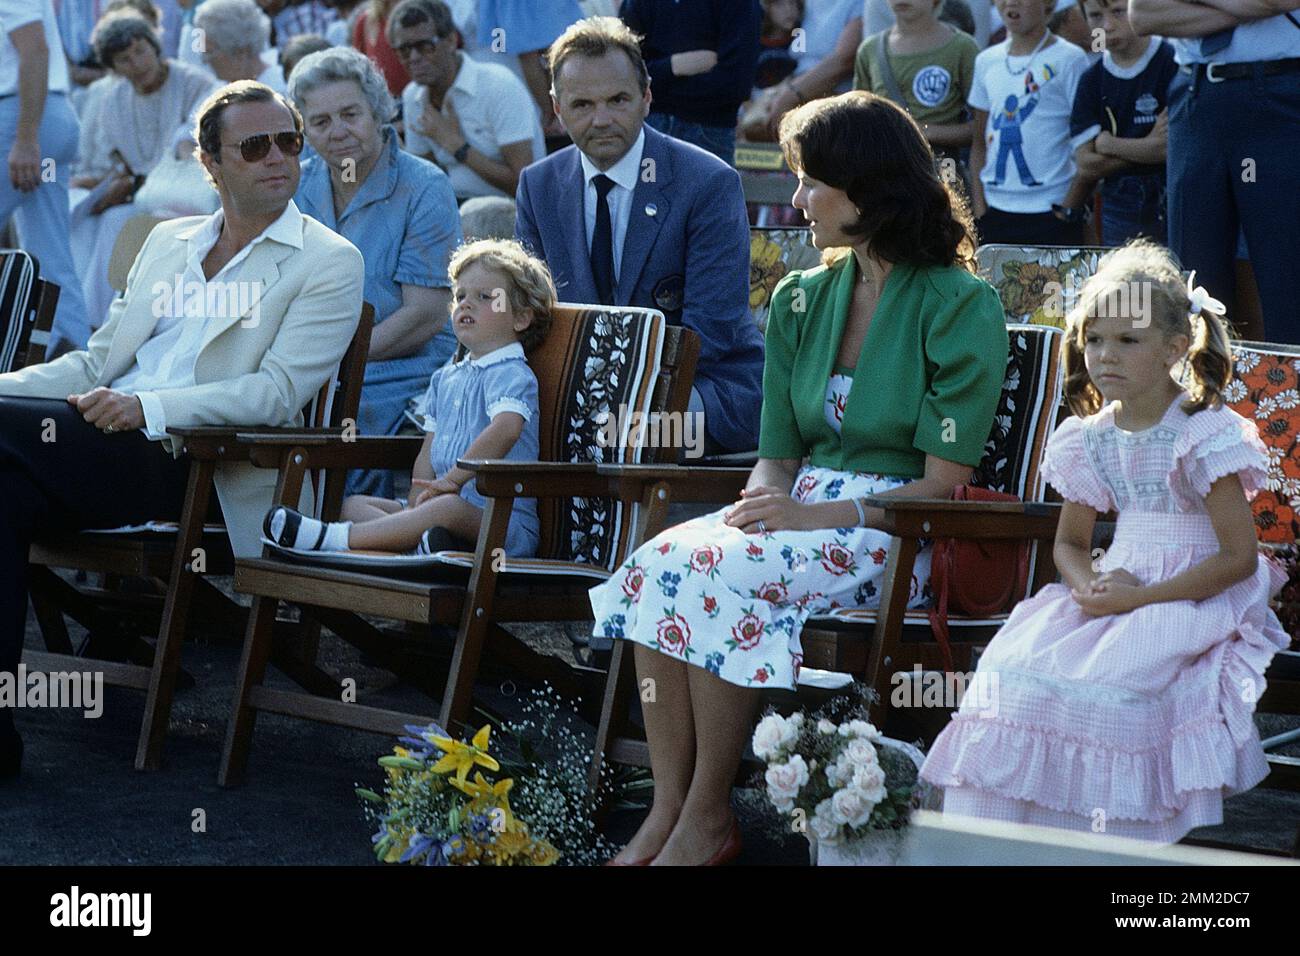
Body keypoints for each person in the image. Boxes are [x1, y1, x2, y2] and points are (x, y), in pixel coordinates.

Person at [588, 91, 1007, 865]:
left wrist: (811, 518)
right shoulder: (801, 296)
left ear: (870, 187)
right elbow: (777, 454)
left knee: (716, 573)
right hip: (798, 514)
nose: (797, 199)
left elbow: (946, 485)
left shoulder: (960, 303)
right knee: (656, 563)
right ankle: (670, 811)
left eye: (813, 181)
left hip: (897, 532)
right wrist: (758, 505)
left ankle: (709, 815)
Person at [0, 80, 365, 781]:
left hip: (194, 464)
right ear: (210, 162)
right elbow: (97, 360)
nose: (278, 158)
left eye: (289, 141)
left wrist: (151, 409)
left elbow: (277, 392)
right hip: (87, 445)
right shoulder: (170, 241)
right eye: (254, 146)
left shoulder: (328, 261)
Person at [922, 241, 1290, 842]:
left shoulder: (1201, 433)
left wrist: (1139, 600)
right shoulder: (1088, 438)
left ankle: (1114, 846)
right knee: (1014, 670)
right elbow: (1070, 542)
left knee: (1117, 685)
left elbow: (1237, 558)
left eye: (1128, 340)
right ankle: (1020, 843)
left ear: (1175, 348)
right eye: (1094, 339)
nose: (1104, 355)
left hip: (1197, 590)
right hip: (1115, 584)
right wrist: (1088, 584)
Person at [516, 16, 764, 456]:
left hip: (704, 390)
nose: (602, 119)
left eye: (618, 100)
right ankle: (475, 524)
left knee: (617, 433)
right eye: (582, 105)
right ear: (556, 109)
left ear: (647, 98)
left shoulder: (708, 183)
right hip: (583, 393)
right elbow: (531, 317)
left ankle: (622, 523)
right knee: (500, 417)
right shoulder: (539, 186)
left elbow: (711, 333)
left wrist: (607, 392)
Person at [265, 237, 551, 559]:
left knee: (446, 508)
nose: (466, 304)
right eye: (460, 296)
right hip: (445, 505)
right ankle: (426, 544)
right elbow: (429, 445)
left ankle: (334, 539)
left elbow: (506, 429)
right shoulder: (448, 377)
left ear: (521, 318)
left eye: (485, 297)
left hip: (501, 522)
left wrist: (453, 481)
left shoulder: (511, 373)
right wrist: (419, 489)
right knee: (355, 504)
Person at [289, 45, 461, 498]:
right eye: (321, 122)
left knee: (342, 410)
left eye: (350, 114)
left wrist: (332, 366)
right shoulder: (296, 185)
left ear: (380, 111)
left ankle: (339, 537)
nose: (338, 132)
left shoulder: (424, 186)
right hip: (316, 364)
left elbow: (423, 317)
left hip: (404, 366)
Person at [1129, 0, 1300, 344]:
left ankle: (1290, 393)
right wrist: (1246, 10)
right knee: (1194, 281)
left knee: (1287, 277)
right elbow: (1142, 14)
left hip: (1278, 95)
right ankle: (1201, 391)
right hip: (1195, 97)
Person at [69, 12, 216, 330]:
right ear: (114, 67)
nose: (137, 63)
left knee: (121, 223)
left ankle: (123, 322)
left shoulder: (193, 83)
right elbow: (122, 162)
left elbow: (197, 144)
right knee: (95, 222)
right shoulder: (114, 100)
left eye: (140, 51)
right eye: (124, 58)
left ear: (154, 46)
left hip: (191, 191)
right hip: (142, 192)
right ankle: (92, 323)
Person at [1, 0, 94, 357]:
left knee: (48, 247)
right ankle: (73, 358)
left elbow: (35, 50)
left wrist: (26, 139)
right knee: (50, 249)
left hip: (23, 119)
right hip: (46, 119)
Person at [392, 0, 542, 202]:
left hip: (510, 212)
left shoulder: (498, 85)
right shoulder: (413, 96)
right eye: (404, 50)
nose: (414, 58)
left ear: (451, 41)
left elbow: (525, 187)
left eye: (426, 46)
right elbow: (423, 182)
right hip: (451, 208)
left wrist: (455, 144)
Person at [968, 0, 1092, 245]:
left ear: (1049, 4)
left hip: (1052, 209)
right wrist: (981, 209)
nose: (1011, 3)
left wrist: (1068, 207)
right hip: (996, 212)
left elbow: (1087, 143)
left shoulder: (1070, 59)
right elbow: (979, 142)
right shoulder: (986, 61)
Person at [1067, 0, 1176, 246]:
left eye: (1118, 12)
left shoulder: (1173, 62)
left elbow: (1170, 148)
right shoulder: (1091, 80)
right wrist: (1147, 145)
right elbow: (1086, 165)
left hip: (1173, 198)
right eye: (1095, 16)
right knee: (1125, 280)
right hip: (1119, 206)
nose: (1107, 25)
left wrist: (1109, 144)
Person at [621, 0, 761, 166]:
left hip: (707, 132)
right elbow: (623, 75)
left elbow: (736, 85)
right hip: (648, 127)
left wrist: (656, 84)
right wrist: (674, 65)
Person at [853, 0, 978, 170]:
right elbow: (856, 122)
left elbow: (982, 128)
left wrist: (923, 131)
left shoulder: (963, 48)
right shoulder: (870, 50)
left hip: (942, 171)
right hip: (885, 173)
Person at [194, 0, 288, 93]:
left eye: (209, 52)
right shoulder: (218, 92)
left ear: (240, 52)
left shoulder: (281, 92)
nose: (205, 60)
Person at [352, 0, 408, 97]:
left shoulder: (418, 15)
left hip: (414, 98)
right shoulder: (365, 22)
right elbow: (358, 69)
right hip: (382, 100)